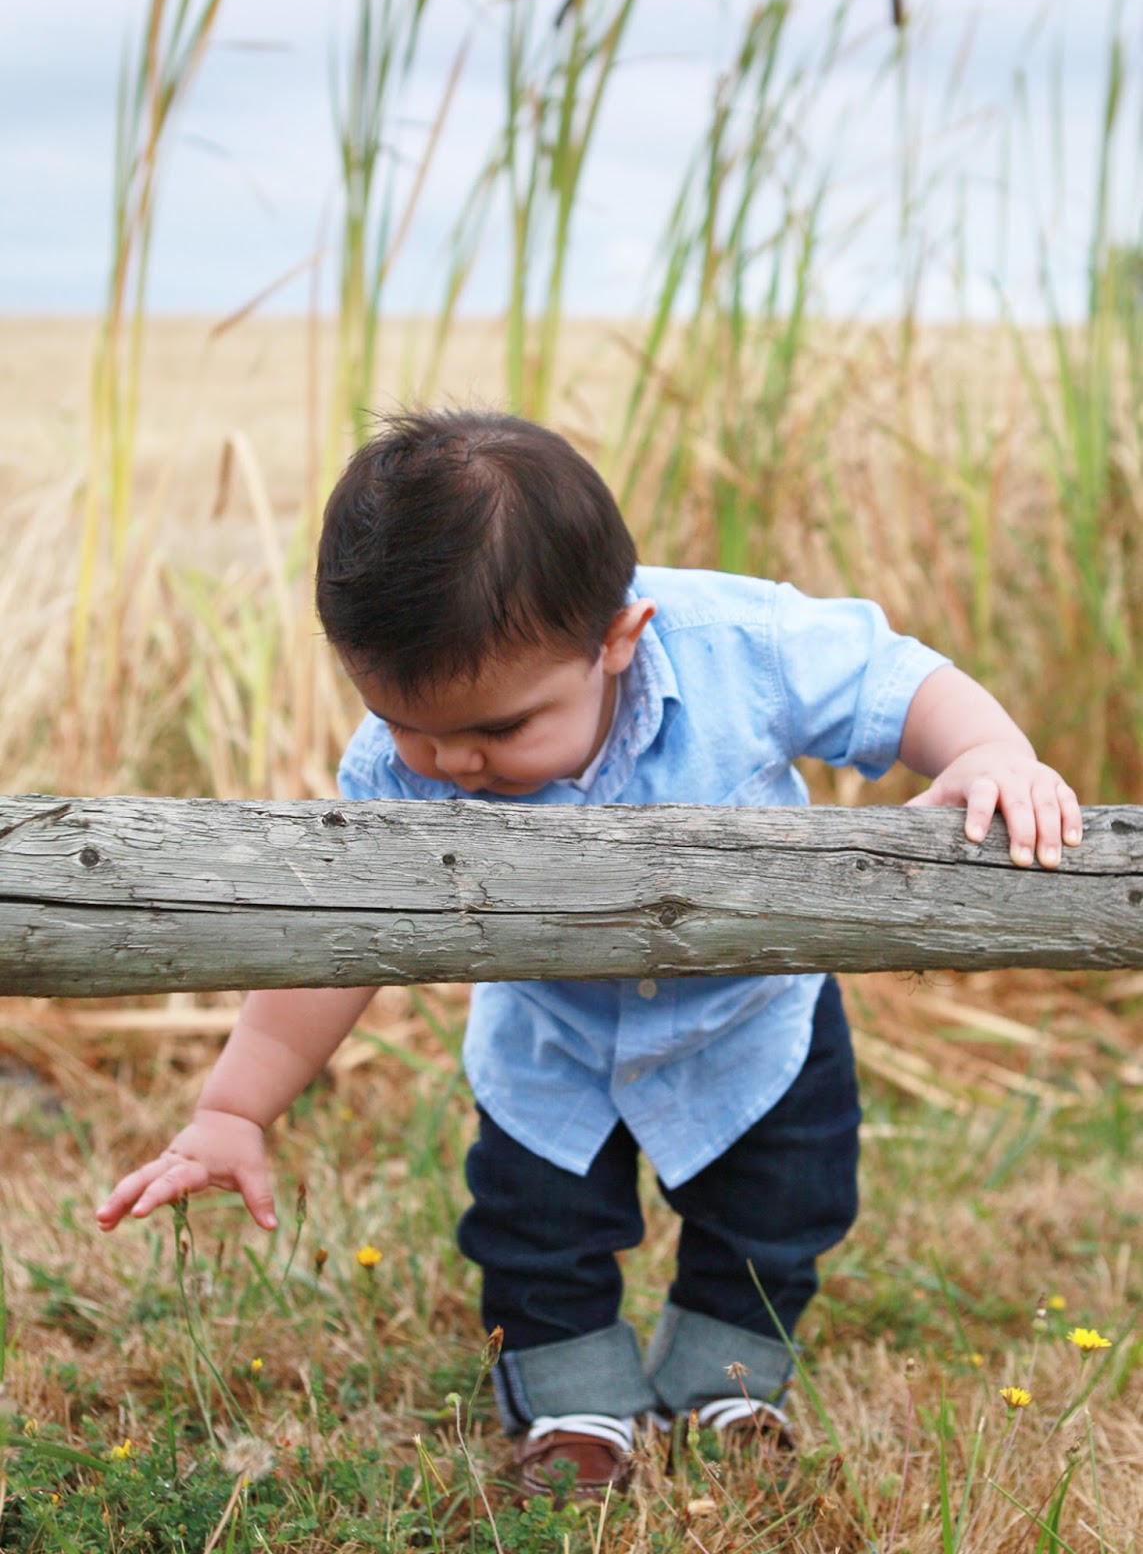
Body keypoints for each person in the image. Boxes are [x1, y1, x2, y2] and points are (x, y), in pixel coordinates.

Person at [97, 409, 1082, 1498]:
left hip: (755, 1017)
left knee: (782, 1212)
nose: (451, 763)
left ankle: (730, 1377)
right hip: (552, 1038)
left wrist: (993, 751)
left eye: (500, 730)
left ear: (618, 637)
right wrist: (235, 1108)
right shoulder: (399, 761)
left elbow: (895, 681)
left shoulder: (736, 645)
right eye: (408, 726)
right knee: (534, 1234)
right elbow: (347, 944)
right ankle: (572, 1405)